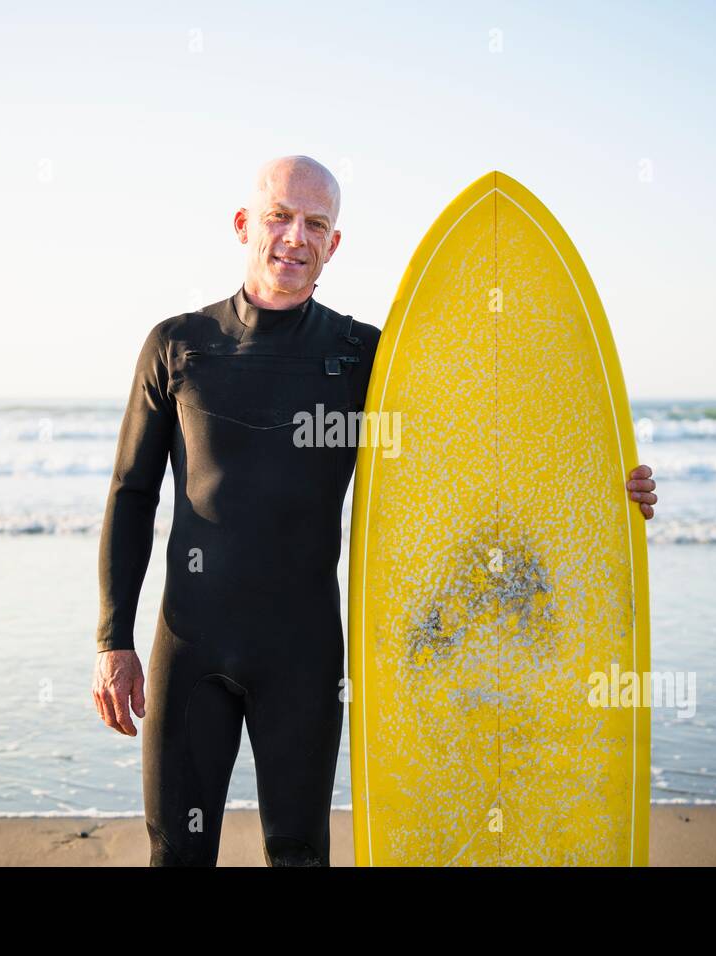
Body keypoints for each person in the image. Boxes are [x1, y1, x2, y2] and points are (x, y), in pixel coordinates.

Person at [91, 155, 659, 866]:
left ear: (334, 244)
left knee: (299, 853)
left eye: (316, 224)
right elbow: (131, 494)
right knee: (177, 852)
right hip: (191, 644)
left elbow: (479, 451)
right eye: (280, 217)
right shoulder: (178, 345)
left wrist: (605, 489)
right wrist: (114, 640)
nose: (295, 237)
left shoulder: (366, 357)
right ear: (244, 224)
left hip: (303, 656)